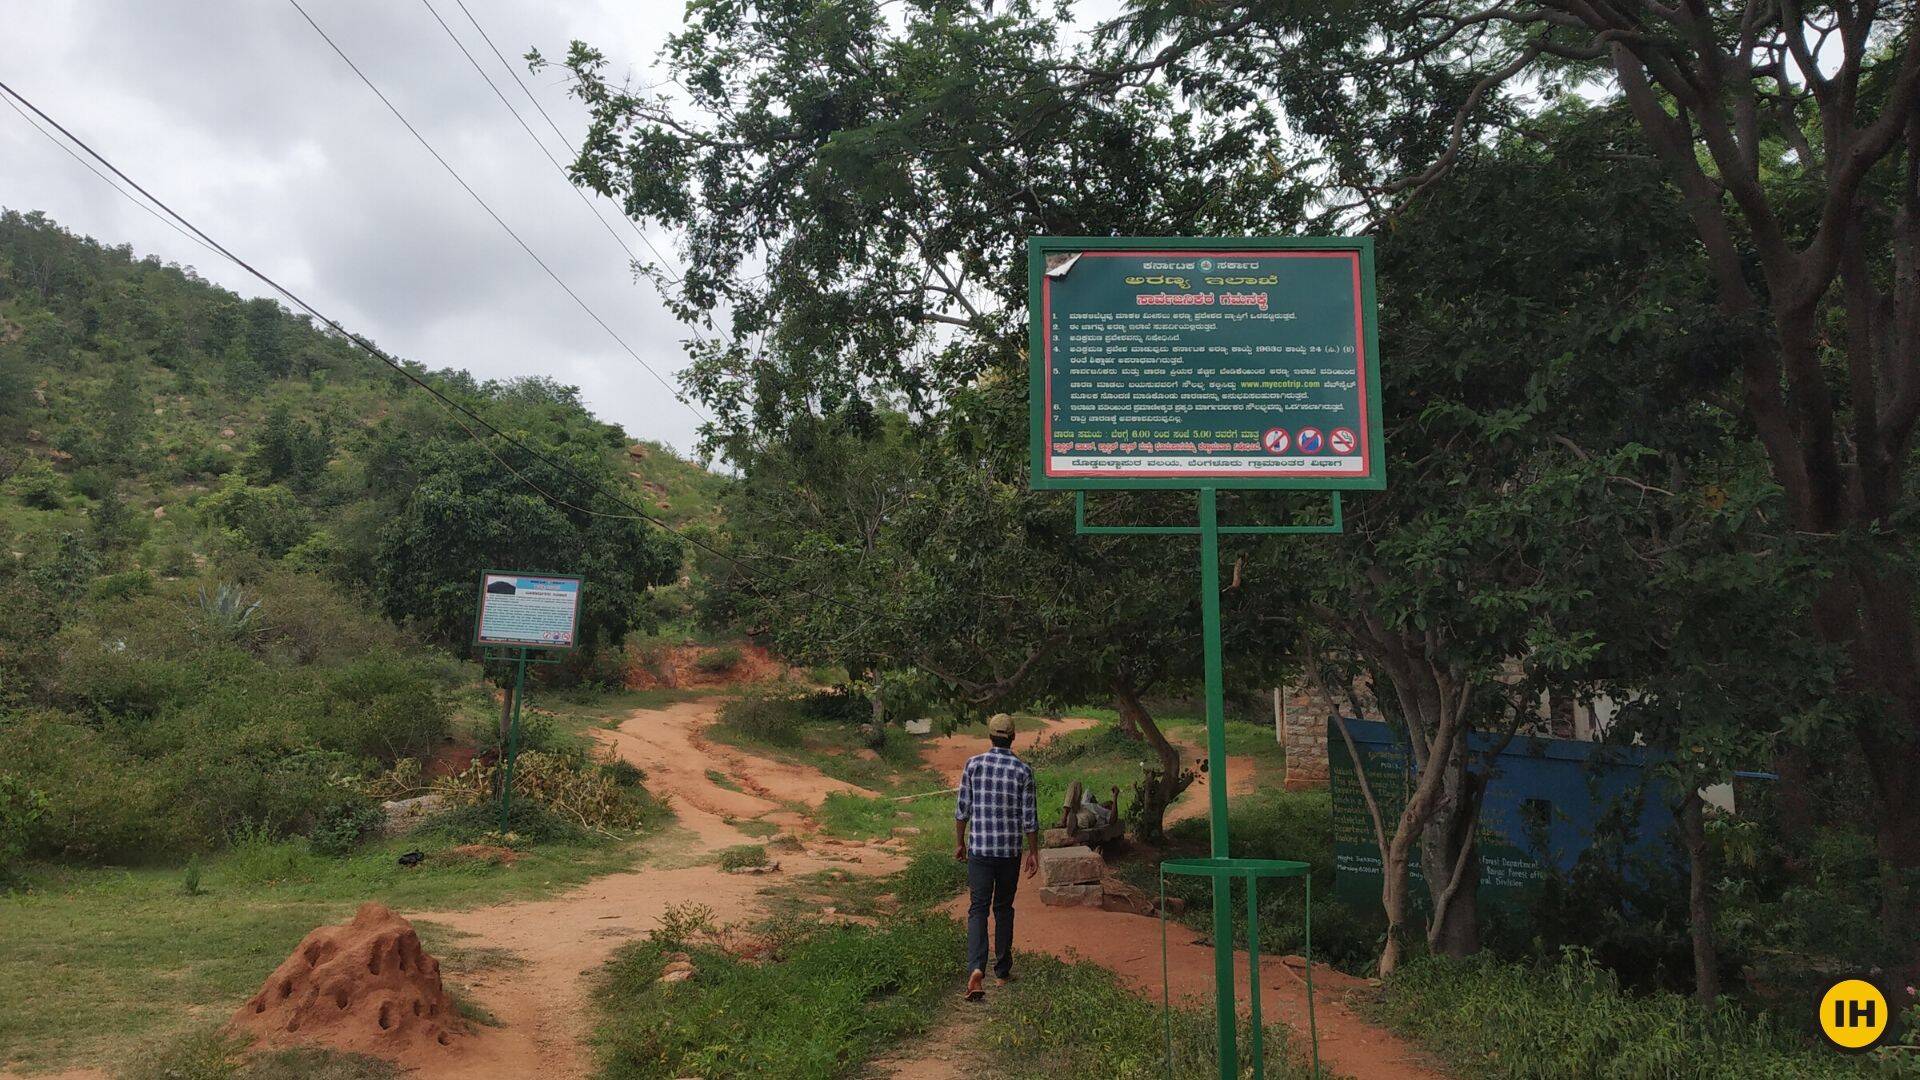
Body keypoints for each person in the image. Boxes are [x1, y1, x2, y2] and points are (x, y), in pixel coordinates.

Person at [953, 711, 1039, 1001]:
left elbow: (962, 809)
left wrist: (959, 842)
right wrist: (1034, 852)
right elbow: (1030, 819)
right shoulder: (1023, 771)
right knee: (1003, 907)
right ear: (1013, 737)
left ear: (990, 737)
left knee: (978, 908)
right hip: (1009, 851)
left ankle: (976, 968)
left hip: (980, 849)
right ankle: (1002, 970)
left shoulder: (973, 765)